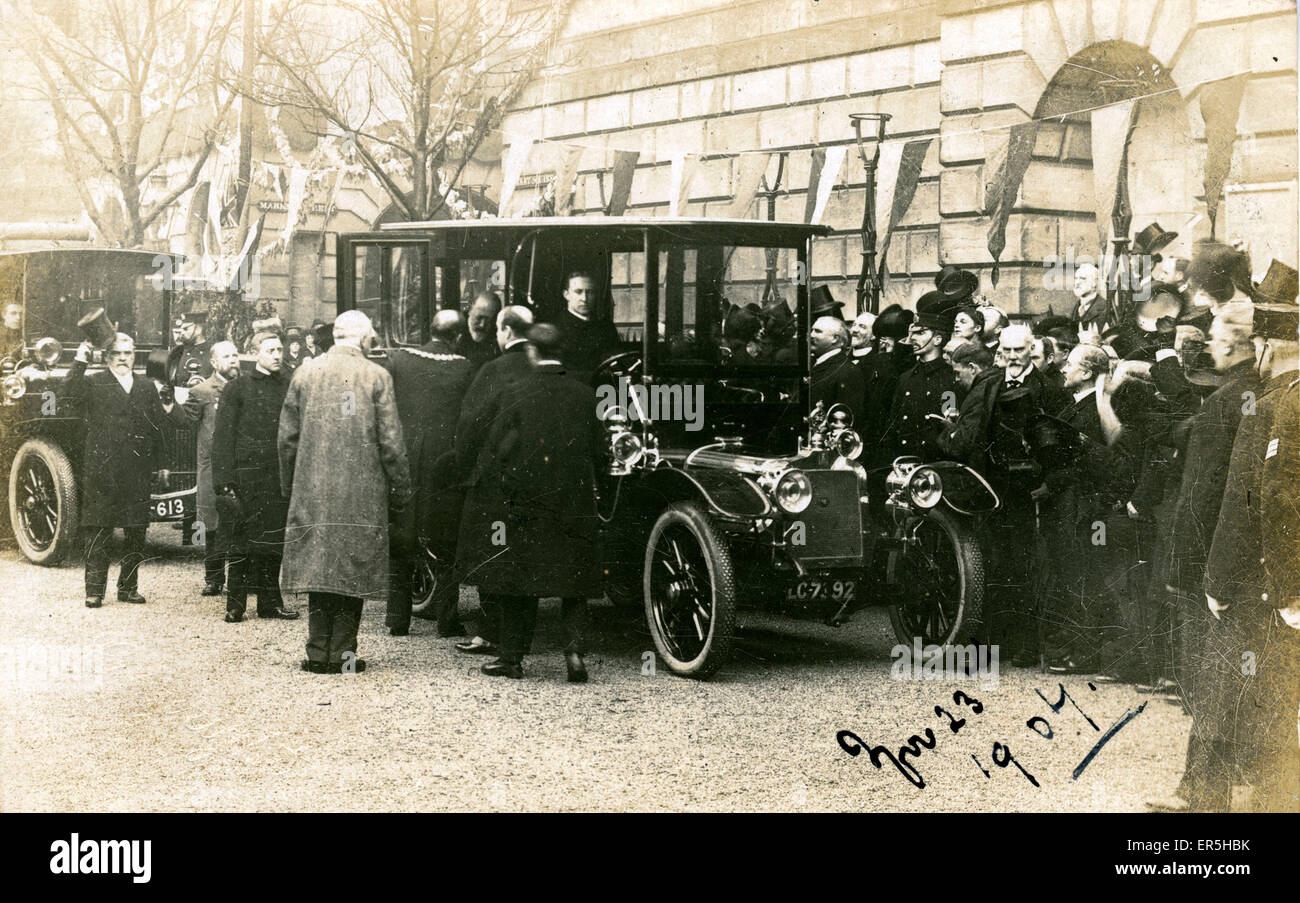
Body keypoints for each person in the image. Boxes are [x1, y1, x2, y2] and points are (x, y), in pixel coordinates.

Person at [1143, 303, 1258, 811]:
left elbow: (1202, 495)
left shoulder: (1227, 401)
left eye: (1213, 337)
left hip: (1215, 566)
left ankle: (1202, 794)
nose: (1208, 345)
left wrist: (1182, 571)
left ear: (1232, 344)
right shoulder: (1262, 394)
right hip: (1256, 565)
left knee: (1209, 677)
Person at [456, 323, 602, 681]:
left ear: (532, 352)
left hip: (527, 498)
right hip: (574, 497)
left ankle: (512, 659)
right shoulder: (585, 395)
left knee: (519, 579)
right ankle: (574, 653)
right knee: (574, 578)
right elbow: (599, 450)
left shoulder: (516, 391)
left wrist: (505, 485)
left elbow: (498, 447)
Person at [1199, 298, 1299, 812]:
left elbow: (1258, 498)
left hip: (1263, 582)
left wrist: (1221, 580)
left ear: (1267, 346)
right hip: (1278, 580)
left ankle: (1211, 803)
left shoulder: (1274, 400)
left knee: (1232, 690)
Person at [278, 311, 412, 674]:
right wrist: (401, 488)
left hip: (313, 489)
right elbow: (392, 443)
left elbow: (287, 440)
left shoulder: (304, 373)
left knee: (319, 565)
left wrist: (290, 486)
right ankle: (344, 653)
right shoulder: (377, 376)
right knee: (352, 566)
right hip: (362, 492)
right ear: (365, 338)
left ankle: (317, 651)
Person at [65, 333, 189, 607]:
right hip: (102, 471)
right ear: (108, 356)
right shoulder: (93, 382)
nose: (123, 358)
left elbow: (157, 428)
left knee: (135, 531)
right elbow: (67, 396)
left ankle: (128, 588)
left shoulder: (145, 387)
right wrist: (80, 361)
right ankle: (95, 591)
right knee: (99, 531)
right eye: (118, 353)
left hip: (137, 470)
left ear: (135, 356)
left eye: (128, 353)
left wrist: (164, 463)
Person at [1038, 343, 1135, 675]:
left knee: (1082, 579)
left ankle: (1085, 653)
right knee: (1072, 577)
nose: (1063, 368)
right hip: (1069, 505)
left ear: (1088, 373)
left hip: (1082, 507)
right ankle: (1076, 649)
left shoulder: (1095, 411)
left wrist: (1051, 483)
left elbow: (1093, 463)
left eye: (1070, 364)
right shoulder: (1075, 407)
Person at [981, 323, 1069, 665]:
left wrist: (1050, 483)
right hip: (994, 489)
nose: (1013, 357)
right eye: (1007, 350)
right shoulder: (989, 383)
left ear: (1031, 350)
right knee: (996, 561)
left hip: (1032, 493)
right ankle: (999, 639)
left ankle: (1029, 643)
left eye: (1020, 350)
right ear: (1000, 350)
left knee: (1030, 567)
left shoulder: (1050, 390)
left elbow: (1061, 445)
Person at [453, 304, 535, 656]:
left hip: (496, 478)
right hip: (536, 477)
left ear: (504, 332)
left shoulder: (493, 370)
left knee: (492, 553)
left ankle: (489, 632)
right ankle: (521, 638)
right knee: (526, 556)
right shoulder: (544, 369)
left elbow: (470, 425)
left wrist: (464, 466)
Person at [385, 309, 473, 638]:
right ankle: (447, 621)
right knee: (446, 542)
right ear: (459, 336)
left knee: (401, 538)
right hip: (444, 465)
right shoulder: (463, 367)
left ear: (430, 329)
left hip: (405, 459)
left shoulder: (399, 360)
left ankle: (397, 619)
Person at [213, 331, 298, 623]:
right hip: (245, 479)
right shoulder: (238, 387)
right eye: (271, 350)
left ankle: (270, 603)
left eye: (279, 349)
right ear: (254, 353)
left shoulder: (289, 385)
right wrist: (224, 482)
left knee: (273, 542)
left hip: (277, 477)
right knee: (241, 543)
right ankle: (235, 605)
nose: (277, 355)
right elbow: (222, 438)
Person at [879, 291, 960, 462]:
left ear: (937, 339)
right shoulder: (906, 378)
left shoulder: (949, 378)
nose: (913, 338)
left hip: (931, 464)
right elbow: (892, 426)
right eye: (912, 332)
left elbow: (947, 423)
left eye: (920, 333)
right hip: (902, 461)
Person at [188, 341, 241, 597]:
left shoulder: (246, 386)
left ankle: (242, 579)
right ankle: (214, 578)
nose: (233, 360)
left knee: (241, 521)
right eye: (227, 356)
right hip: (211, 466)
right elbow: (187, 425)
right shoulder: (202, 391)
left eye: (235, 355)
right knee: (213, 523)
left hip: (240, 464)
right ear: (214, 362)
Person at [550, 271, 621, 381]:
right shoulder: (555, 328)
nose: (584, 298)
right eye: (578, 292)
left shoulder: (605, 326)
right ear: (566, 294)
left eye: (590, 292)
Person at [809, 316, 864, 425]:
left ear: (835, 338)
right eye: (812, 330)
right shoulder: (815, 364)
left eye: (818, 331)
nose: (811, 335)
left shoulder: (848, 372)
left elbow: (845, 423)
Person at [456, 291, 502, 373]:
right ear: (470, 310)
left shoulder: (498, 333)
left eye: (488, 320)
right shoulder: (456, 328)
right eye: (479, 317)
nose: (482, 325)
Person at [1069, 263, 1113, 344]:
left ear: (1094, 283)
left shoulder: (1106, 308)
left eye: (1083, 278)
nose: (1077, 282)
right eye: (1076, 278)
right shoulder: (1076, 307)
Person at [167, 311, 212, 387]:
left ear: (198, 329)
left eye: (185, 329)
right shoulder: (176, 352)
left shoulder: (213, 351)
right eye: (181, 329)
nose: (182, 332)